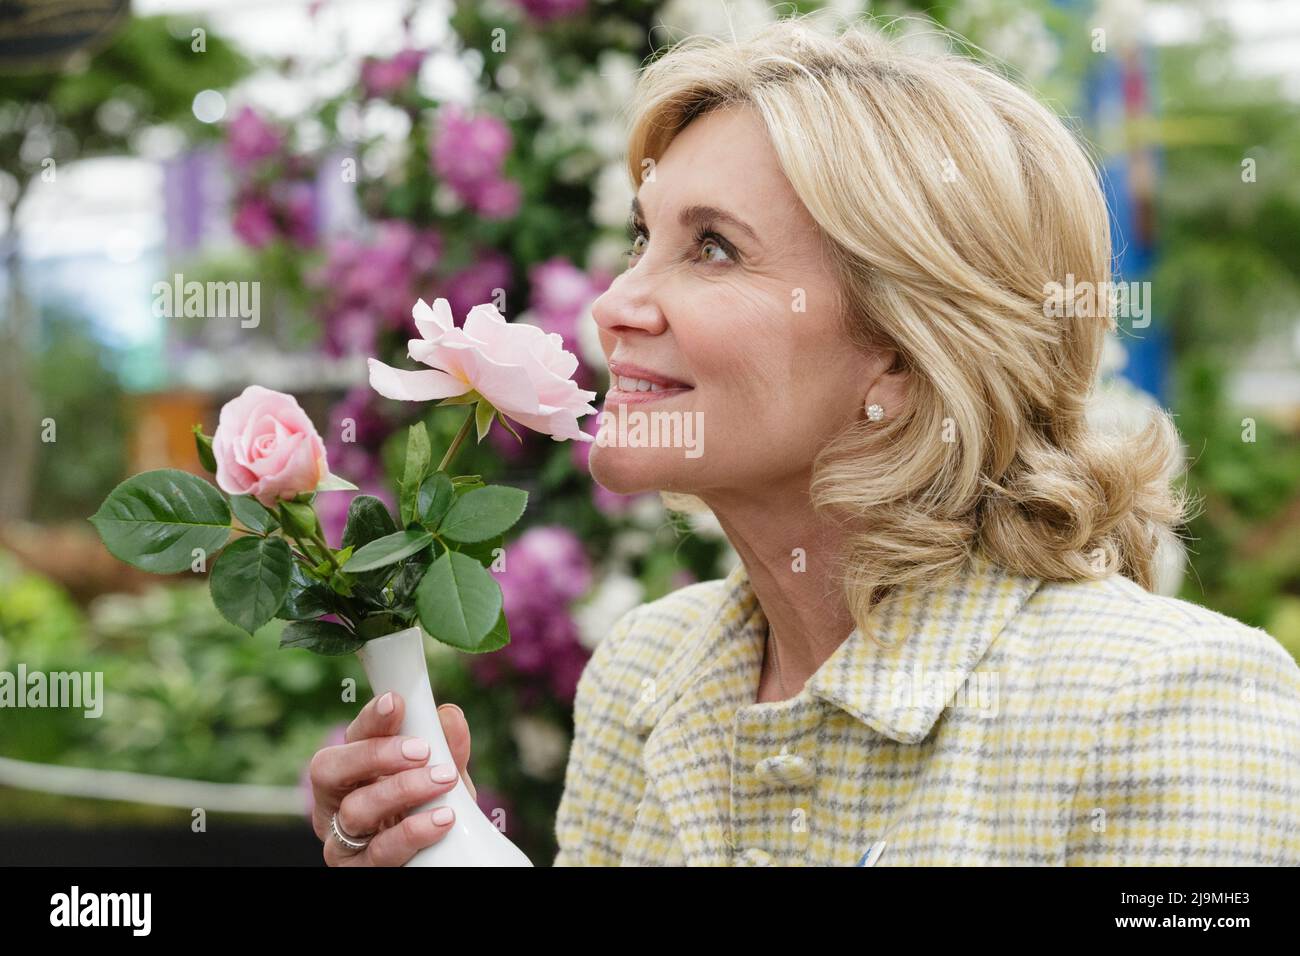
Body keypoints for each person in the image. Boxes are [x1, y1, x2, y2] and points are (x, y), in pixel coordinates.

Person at [310, 14, 1300, 866]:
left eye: (713, 247)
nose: (612, 303)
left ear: (900, 355)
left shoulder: (1174, 703)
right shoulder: (645, 670)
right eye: (641, 237)